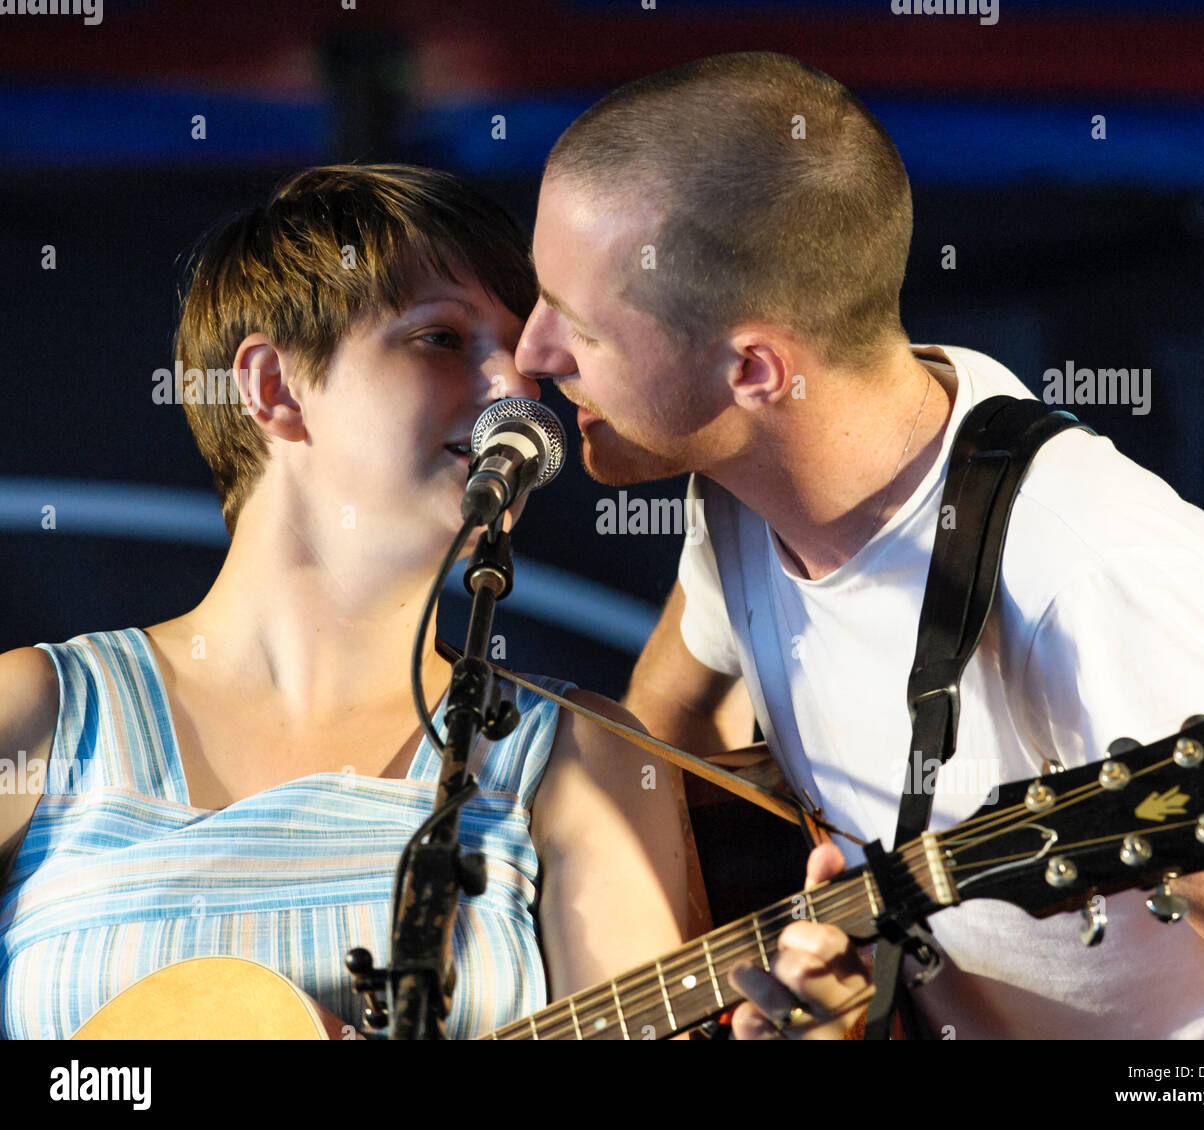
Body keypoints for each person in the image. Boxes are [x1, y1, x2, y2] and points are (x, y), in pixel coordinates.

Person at [512, 51, 1204, 1040]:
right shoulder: (741, 496)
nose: (532, 354)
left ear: (754, 370)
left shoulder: (1083, 565)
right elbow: (657, 735)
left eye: (575, 324)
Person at [0, 164, 689, 1040]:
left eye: (524, 359)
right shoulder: (39, 714)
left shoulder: (578, 754)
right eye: (441, 338)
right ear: (273, 388)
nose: (515, 395)